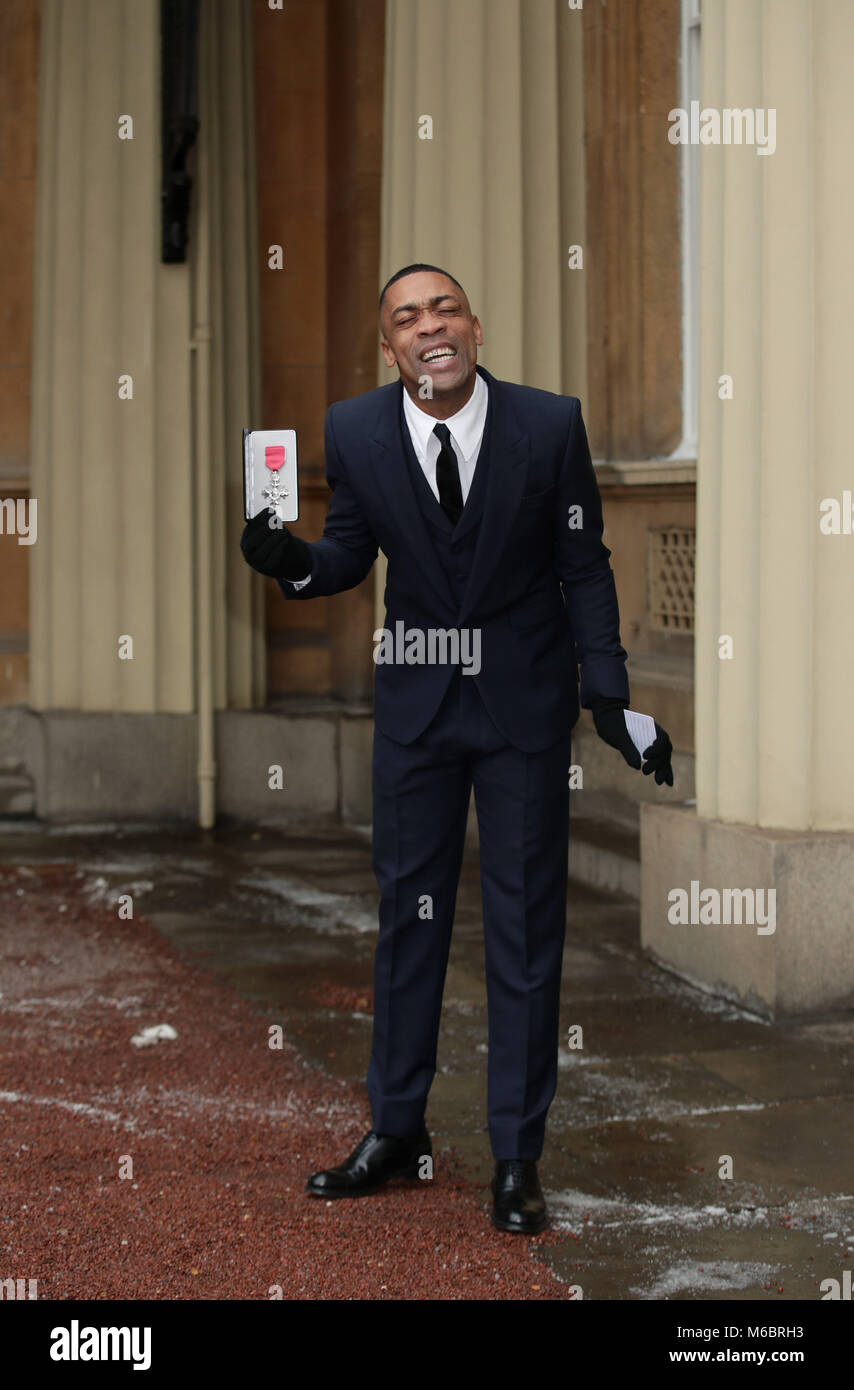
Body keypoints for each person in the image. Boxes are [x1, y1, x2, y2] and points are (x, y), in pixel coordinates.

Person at [240, 264, 673, 1233]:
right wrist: (295, 568)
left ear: (472, 326)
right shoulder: (354, 431)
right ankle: (395, 1130)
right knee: (409, 922)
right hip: (418, 713)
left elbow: (583, 564)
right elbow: (348, 553)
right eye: (404, 316)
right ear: (388, 347)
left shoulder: (546, 425)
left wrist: (606, 698)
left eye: (441, 308)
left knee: (524, 936)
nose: (426, 326)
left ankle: (517, 1158)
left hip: (520, 708)